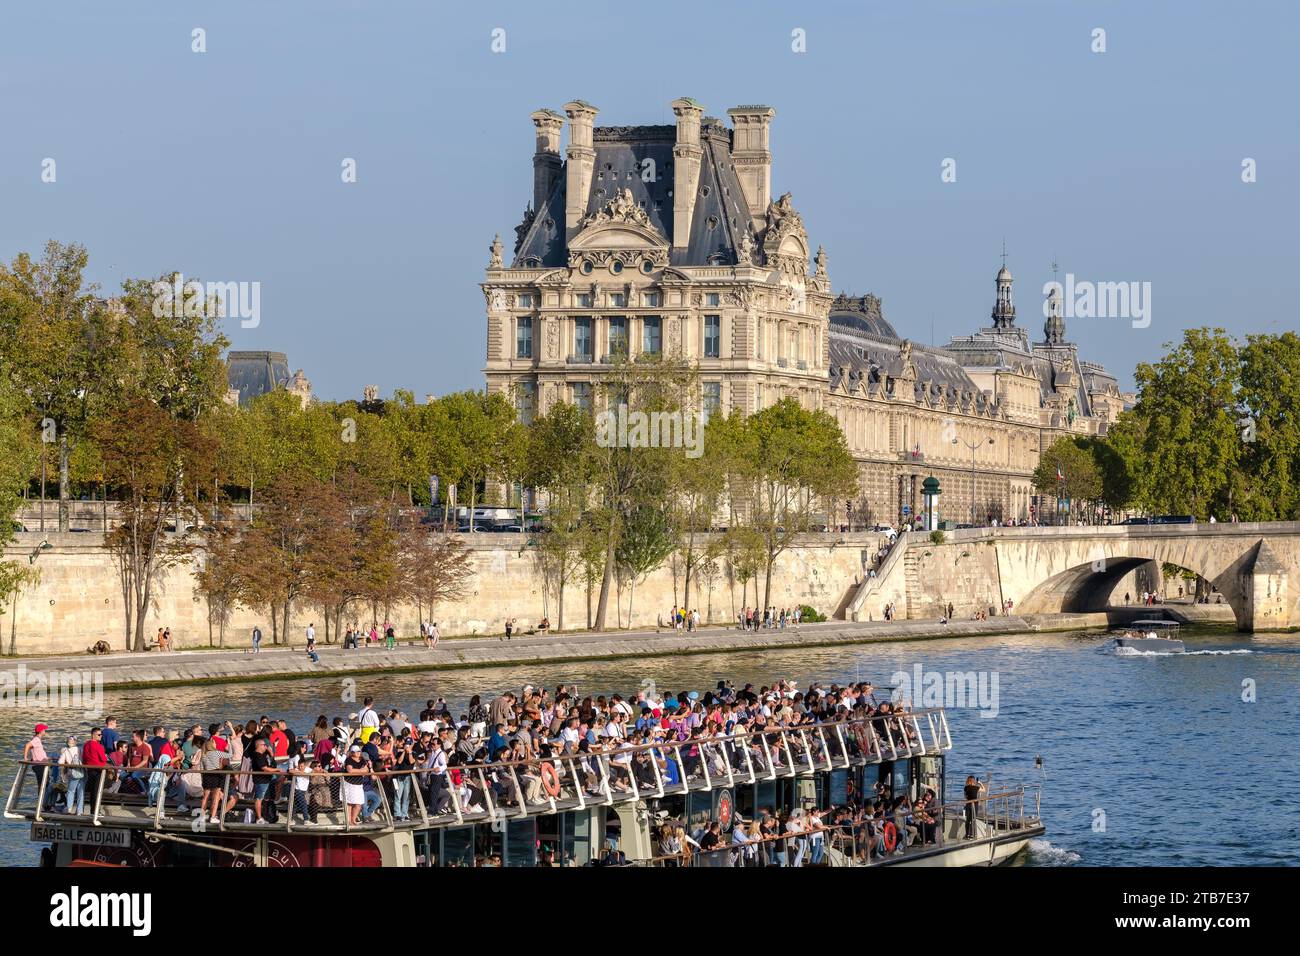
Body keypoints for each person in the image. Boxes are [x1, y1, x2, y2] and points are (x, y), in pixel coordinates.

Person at [22, 723, 54, 810]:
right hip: (40, 766)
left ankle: (44, 803)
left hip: (41, 764)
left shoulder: (38, 740)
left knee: (45, 784)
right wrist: (25, 758)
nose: (45, 731)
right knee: (43, 784)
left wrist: (48, 758)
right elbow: (27, 745)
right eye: (44, 730)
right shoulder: (36, 739)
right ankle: (41, 805)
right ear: (40, 731)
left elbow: (36, 753)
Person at [58, 735, 86, 814]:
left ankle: (69, 809)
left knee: (71, 791)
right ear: (75, 742)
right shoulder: (80, 749)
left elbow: (60, 762)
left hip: (73, 772)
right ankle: (79, 811)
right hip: (82, 772)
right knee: (81, 792)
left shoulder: (66, 750)